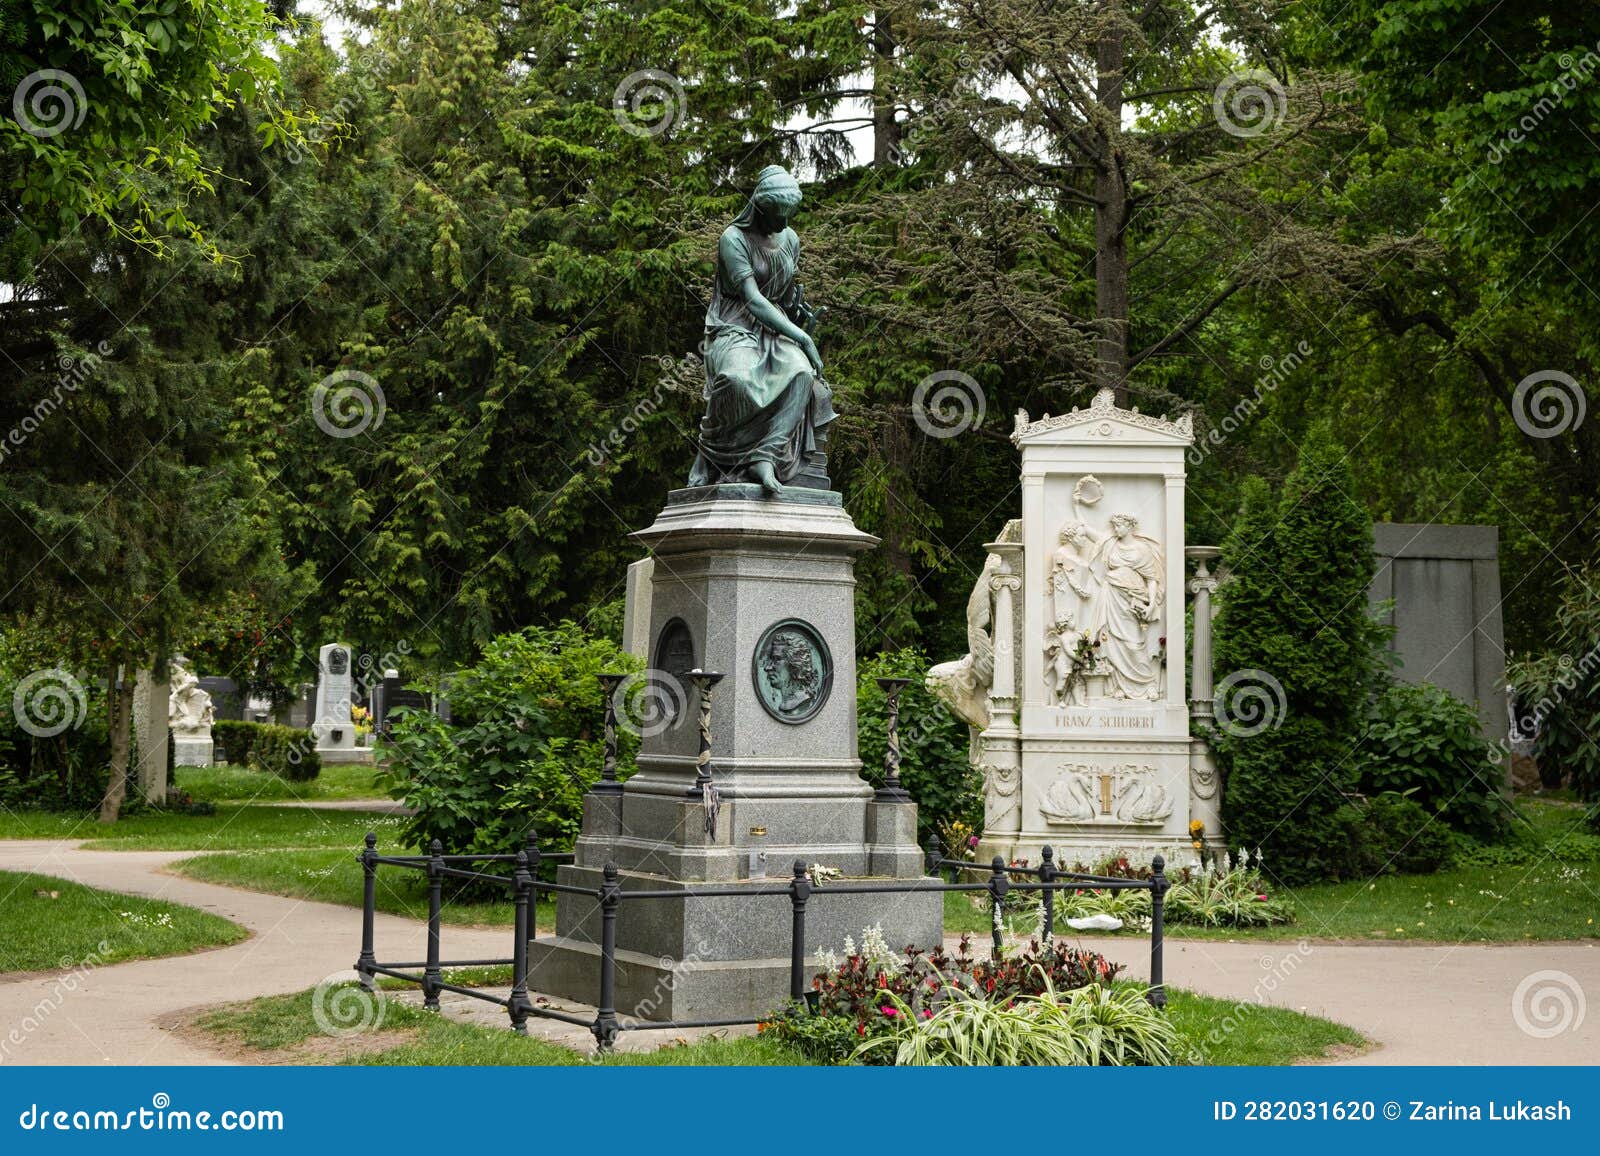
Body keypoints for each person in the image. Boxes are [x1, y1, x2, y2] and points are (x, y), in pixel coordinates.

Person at [688, 165, 836, 496]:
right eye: (776, 215)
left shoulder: (791, 239)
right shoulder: (733, 239)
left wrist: (799, 316)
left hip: (775, 327)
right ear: (758, 207)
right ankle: (708, 453)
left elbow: (780, 297)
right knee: (737, 380)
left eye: (788, 215)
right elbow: (753, 300)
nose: (783, 223)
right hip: (735, 327)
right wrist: (802, 336)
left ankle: (765, 456)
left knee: (800, 373)